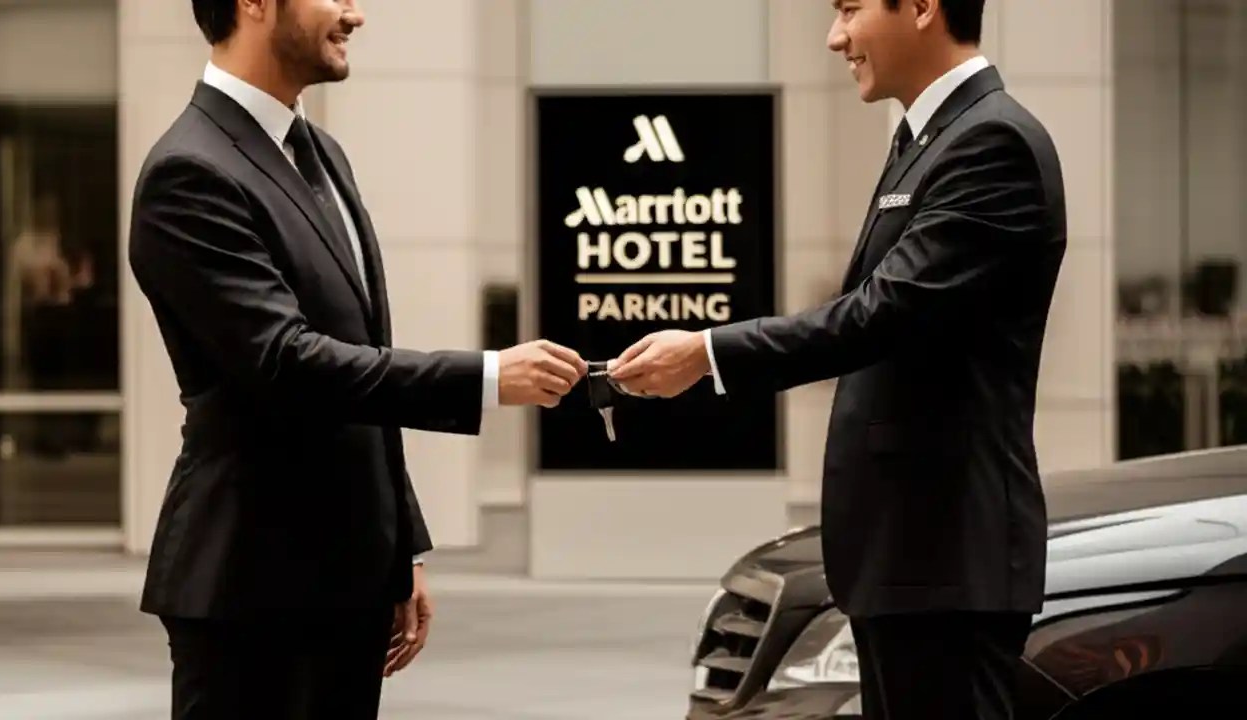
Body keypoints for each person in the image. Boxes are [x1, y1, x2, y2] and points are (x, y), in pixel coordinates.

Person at [128, 1, 586, 718]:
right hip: (251, 585)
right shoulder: (190, 171)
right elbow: (288, 363)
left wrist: (401, 544)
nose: (356, 13)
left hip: (346, 576)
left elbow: (361, 363)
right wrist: (492, 378)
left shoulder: (319, 152)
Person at [608, 0, 1064, 718]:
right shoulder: (931, 138)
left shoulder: (992, 141)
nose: (835, 37)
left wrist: (707, 352)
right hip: (913, 555)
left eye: (849, 8)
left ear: (921, 7)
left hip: (945, 556)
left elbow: (880, 314)